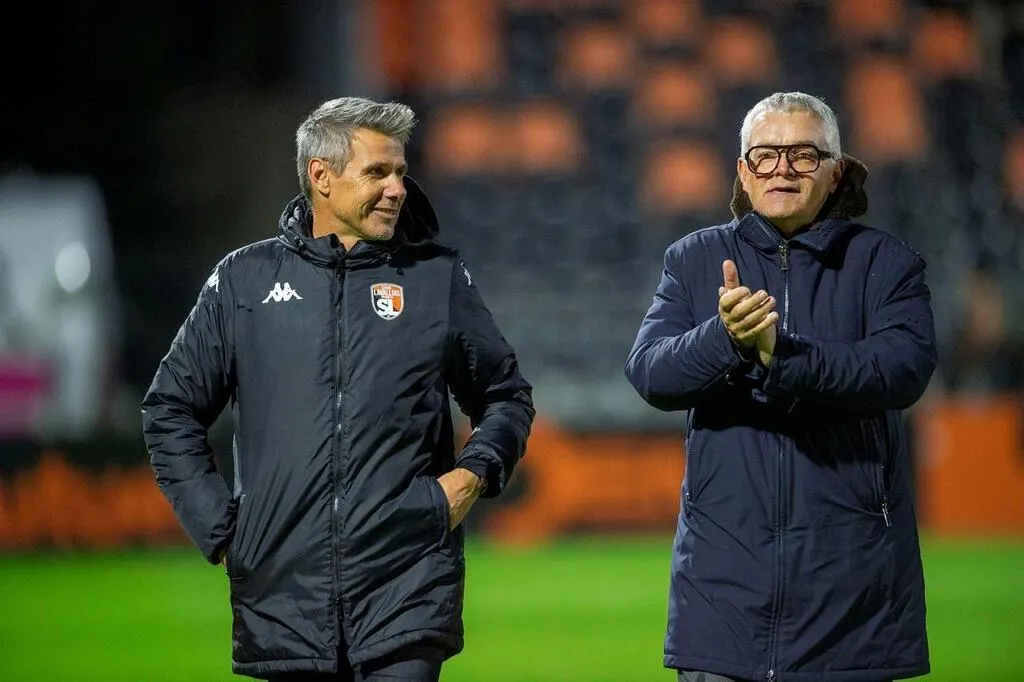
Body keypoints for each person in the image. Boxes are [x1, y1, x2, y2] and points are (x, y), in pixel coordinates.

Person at [142, 96, 535, 681]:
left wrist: (470, 477)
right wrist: (223, 533)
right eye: (377, 172)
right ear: (321, 176)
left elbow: (505, 395)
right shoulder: (244, 281)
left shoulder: (435, 277)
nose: (397, 189)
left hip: (407, 589)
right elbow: (170, 410)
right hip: (283, 601)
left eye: (400, 171)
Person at [625, 92, 937, 682]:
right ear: (743, 172)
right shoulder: (693, 258)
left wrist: (781, 355)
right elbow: (650, 373)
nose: (782, 170)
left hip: (855, 598)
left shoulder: (886, 263)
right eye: (765, 156)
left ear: (835, 172)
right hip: (721, 594)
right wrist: (725, 337)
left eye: (803, 155)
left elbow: (902, 370)